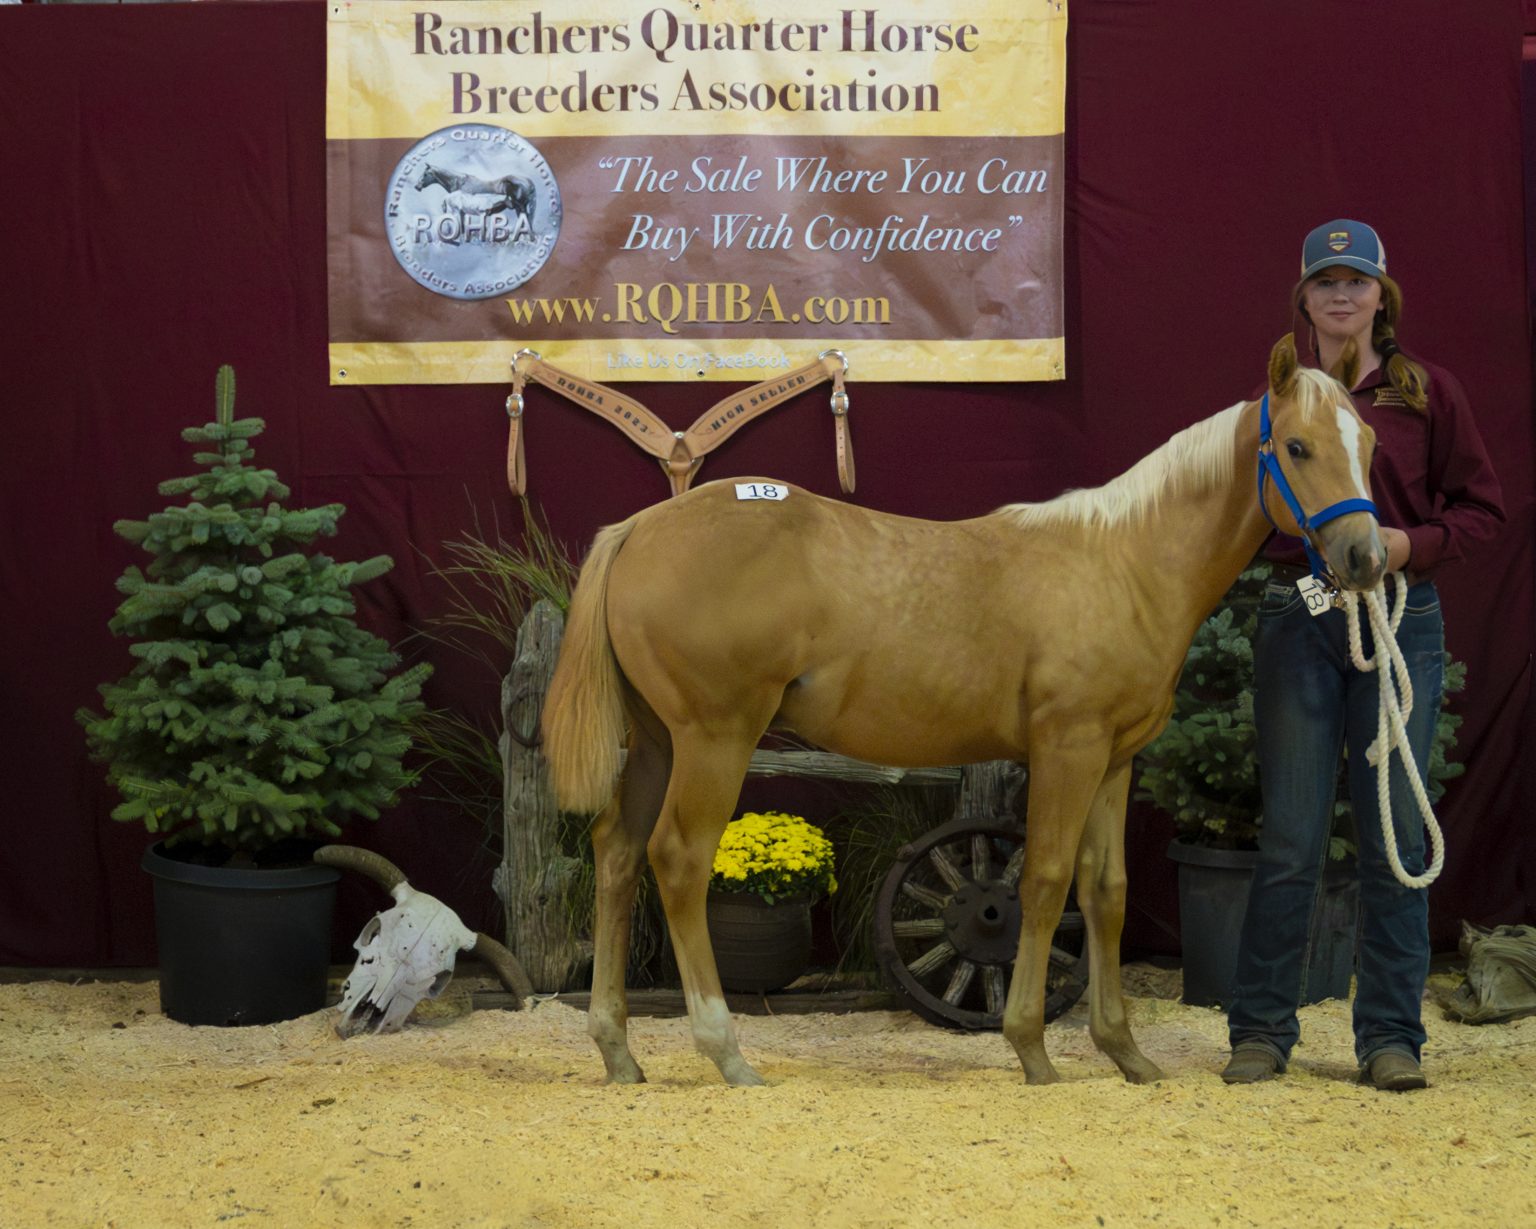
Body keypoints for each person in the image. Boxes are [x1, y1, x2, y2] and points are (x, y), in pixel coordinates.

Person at [1222, 219, 1505, 1091]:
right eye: (1325, 281)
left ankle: (1390, 1037)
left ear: (1382, 296)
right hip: (1299, 619)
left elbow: (1482, 512)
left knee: (1393, 836)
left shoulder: (1427, 396)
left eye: (1357, 280)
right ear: (1303, 299)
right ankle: (1263, 1030)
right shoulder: (1279, 402)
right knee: (1292, 839)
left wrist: (1404, 544)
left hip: (1399, 620)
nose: (1341, 294)